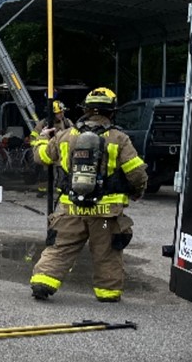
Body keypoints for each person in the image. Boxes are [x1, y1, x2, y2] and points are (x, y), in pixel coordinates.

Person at [28, 87, 148, 302]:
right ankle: (108, 293)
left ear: (86, 110)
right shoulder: (119, 139)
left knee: (61, 248)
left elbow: (42, 157)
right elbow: (136, 173)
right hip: (106, 215)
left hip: (71, 209)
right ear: (111, 112)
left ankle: (43, 282)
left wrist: (41, 139)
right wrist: (138, 191)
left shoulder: (66, 136)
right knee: (107, 253)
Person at [30, 100, 74, 192]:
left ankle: (60, 189)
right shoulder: (44, 123)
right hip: (48, 150)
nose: (61, 114)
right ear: (53, 113)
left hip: (61, 151)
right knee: (44, 171)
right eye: (59, 113)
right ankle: (42, 189)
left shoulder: (67, 122)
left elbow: (73, 135)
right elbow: (33, 137)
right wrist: (38, 147)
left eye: (62, 112)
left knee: (62, 170)